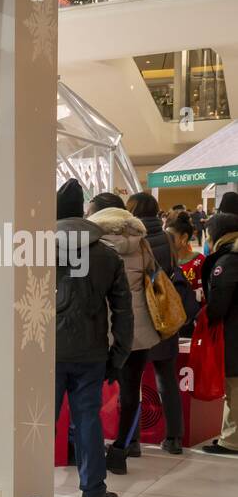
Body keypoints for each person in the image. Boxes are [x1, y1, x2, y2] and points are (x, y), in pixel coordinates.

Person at [55, 179, 133, 497]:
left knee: (39, 420)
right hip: (92, 352)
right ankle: (93, 490)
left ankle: (26, 490)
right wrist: (119, 357)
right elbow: (123, 311)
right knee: (87, 417)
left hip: (48, 352)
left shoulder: (35, 250)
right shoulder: (107, 256)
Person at [89, 201, 160, 473]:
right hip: (139, 329)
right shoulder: (141, 242)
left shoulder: (95, 243)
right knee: (132, 390)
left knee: (91, 391)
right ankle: (124, 447)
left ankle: (90, 448)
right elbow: (153, 275)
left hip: (103, 329)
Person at [126, 192, 186, 454]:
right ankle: (174, 438)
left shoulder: (133, 240)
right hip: (164, 317)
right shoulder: (168, 238)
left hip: (140, 318)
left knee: (132, 383)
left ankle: (133, 440)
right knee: (167, 378)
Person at [201, 213, 238, 454]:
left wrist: (207, 316)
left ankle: (232, 440)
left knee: (234, 387)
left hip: (234, 331)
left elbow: (219, 303)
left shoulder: (228, 261)